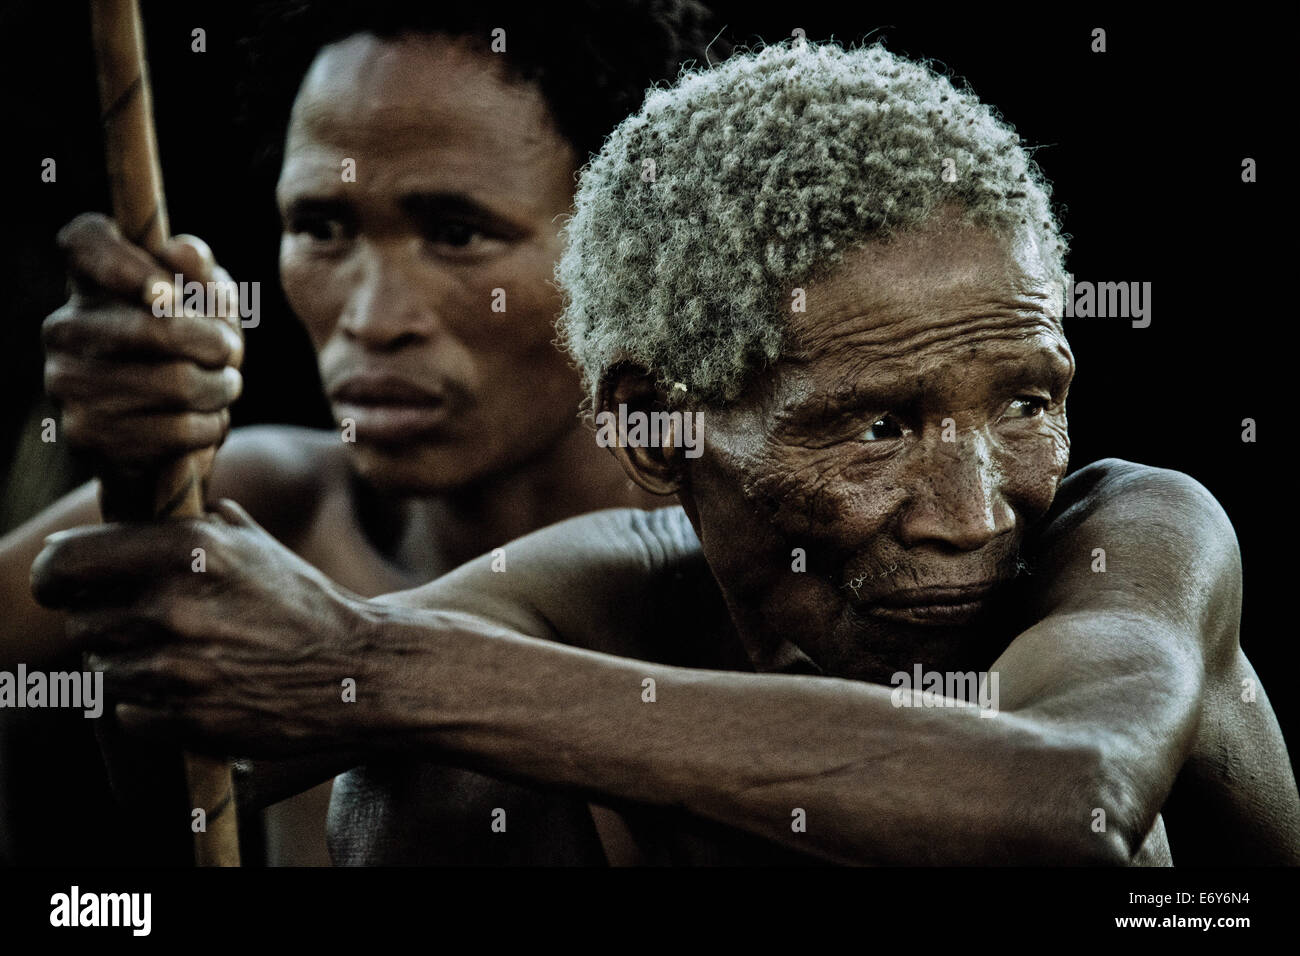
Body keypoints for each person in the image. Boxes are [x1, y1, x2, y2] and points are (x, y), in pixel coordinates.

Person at [31, 40, 1300, 865]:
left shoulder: (1136, 535)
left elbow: (1068, 799)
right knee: (421, 787)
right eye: (874, 427)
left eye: (1025, 404)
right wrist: (151, 463)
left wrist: (371, 660)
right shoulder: (598, 590)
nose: (974, 514)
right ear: (654, 423)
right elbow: (205, 754)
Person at [0, 0, 724, 864]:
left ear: (633, 254)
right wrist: (135, 476)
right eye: (323, 227)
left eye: (457, 233)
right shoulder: (250, 507)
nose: (374, 319)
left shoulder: (753, 575)